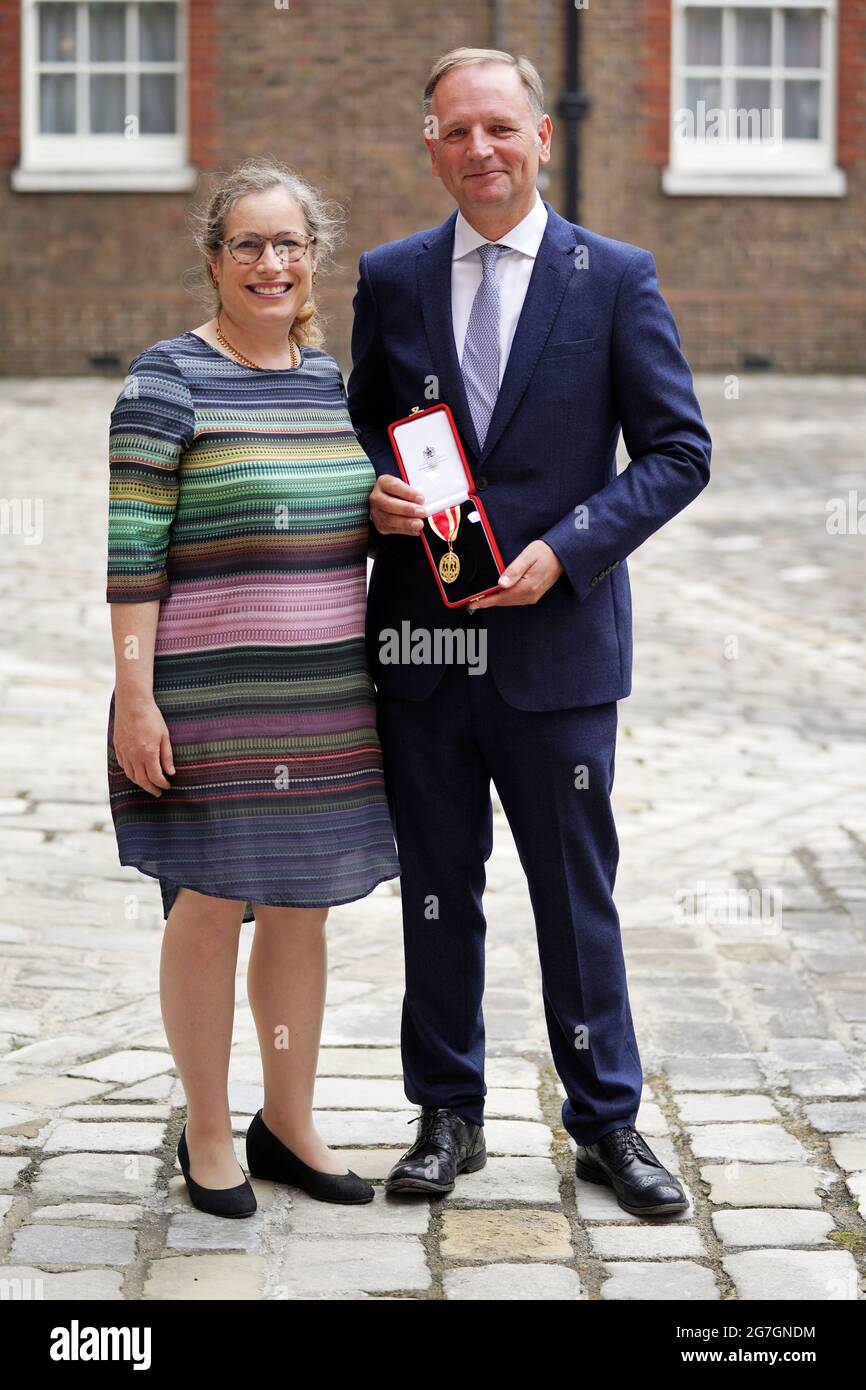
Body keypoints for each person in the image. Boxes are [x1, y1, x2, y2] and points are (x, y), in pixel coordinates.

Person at [347, 48, 712, 1216]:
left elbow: (675, 452)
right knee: (438, 889)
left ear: (539, 137)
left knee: (573, 893)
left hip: (554, 653)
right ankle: (446, 1114)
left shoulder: (612, 276)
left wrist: (568, 549)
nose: (479, 150)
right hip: (422, 649)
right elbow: (360, 432)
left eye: (499, 128)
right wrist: (372, 494)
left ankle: (606, 1122)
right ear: (430, 146)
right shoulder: (391, 280)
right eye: (455, 131)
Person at [106, 156, 400, 1216]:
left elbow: (336, 507)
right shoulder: (165, 379)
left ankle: (289, 1120)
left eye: (289, 245)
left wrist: (382, 512)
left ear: (313, 258)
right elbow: (132, 552)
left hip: (323, 693)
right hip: (206, 693)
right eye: (249, 245)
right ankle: (211, 1130)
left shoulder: (328, 381)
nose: (270, 264)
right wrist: (134, 697)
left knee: (301, 910)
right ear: (215, 259)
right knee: (208, 901)